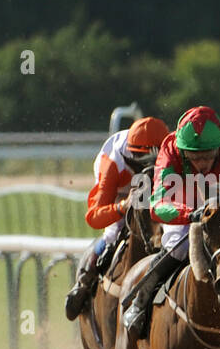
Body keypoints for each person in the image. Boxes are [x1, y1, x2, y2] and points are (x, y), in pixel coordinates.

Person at [121, 105, 220, 339]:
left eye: (208, 156)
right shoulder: (170, 149)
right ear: (183, 150)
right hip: (186, 206)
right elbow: (157, 207)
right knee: (179, 244)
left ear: (219, 148)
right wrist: (189, 214)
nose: (202, 163)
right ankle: (141, 301)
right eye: (195, 156)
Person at [64, 116, 169, 319]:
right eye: (144, 163)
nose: (149, 168)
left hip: (156, 189)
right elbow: (94, 216)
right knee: (114, 232)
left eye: (155, 163)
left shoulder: (170, 151)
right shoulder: (112, 162)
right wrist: (123, 205)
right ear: (133, 158)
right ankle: (85, 281)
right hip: (121, 189)